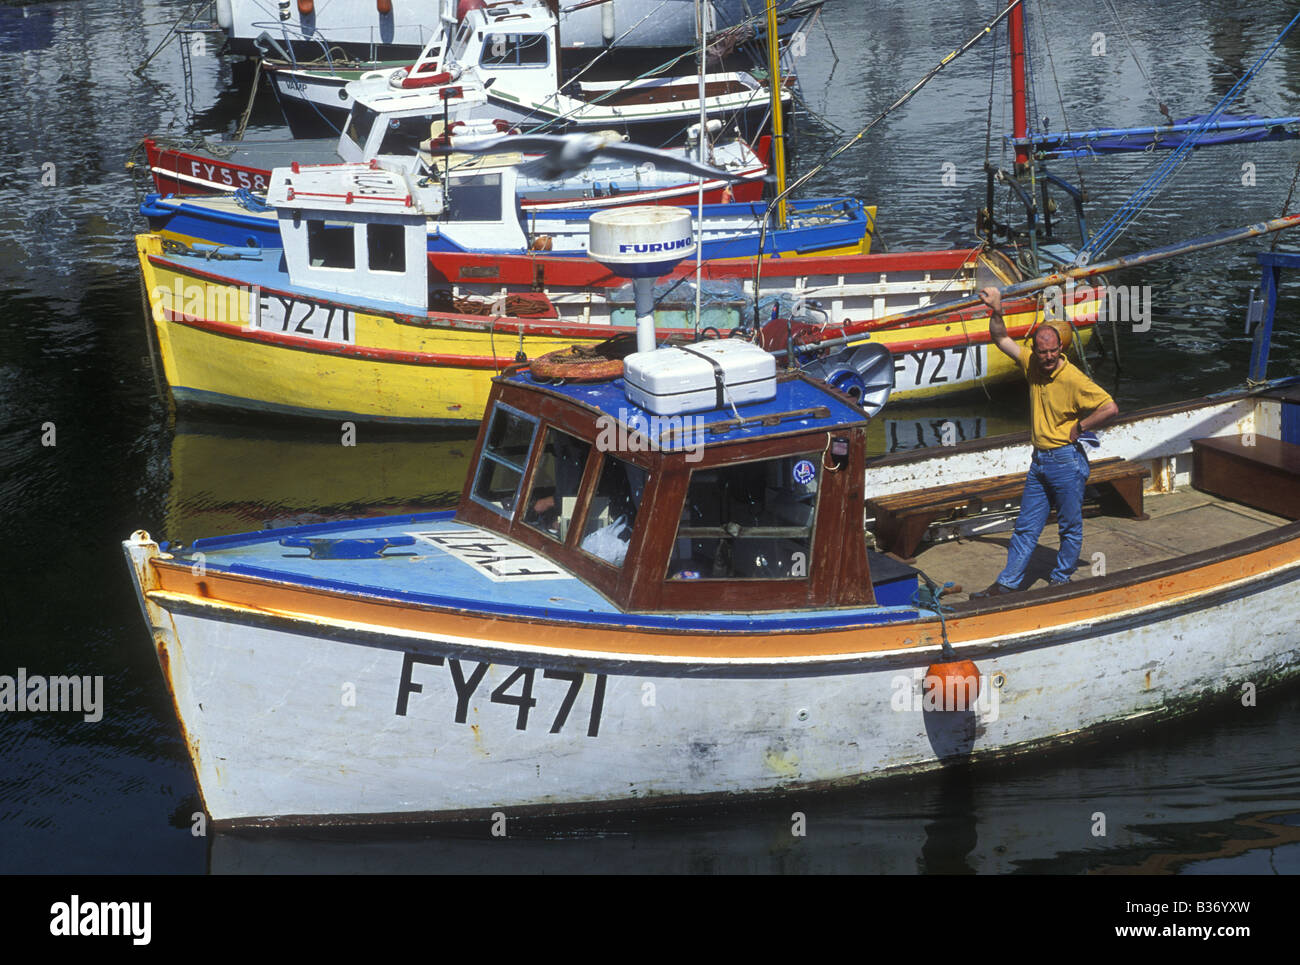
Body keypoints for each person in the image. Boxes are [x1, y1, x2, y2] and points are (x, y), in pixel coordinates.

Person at [972, 286, 1119, 596]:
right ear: (1035, 350)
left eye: (1054, 351)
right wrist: (997, 310)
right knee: (1026, 526)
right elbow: (1001, 339)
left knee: (1069, 525)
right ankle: (1007, 583)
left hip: (1066, 460)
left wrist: (1081, 426)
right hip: (1039, 462)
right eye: (1043, 352)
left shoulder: (1073, 378)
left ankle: (1061, 578)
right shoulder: (1031, 365)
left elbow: (1110, 407)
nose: (1049, 357)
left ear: (1060, 348)